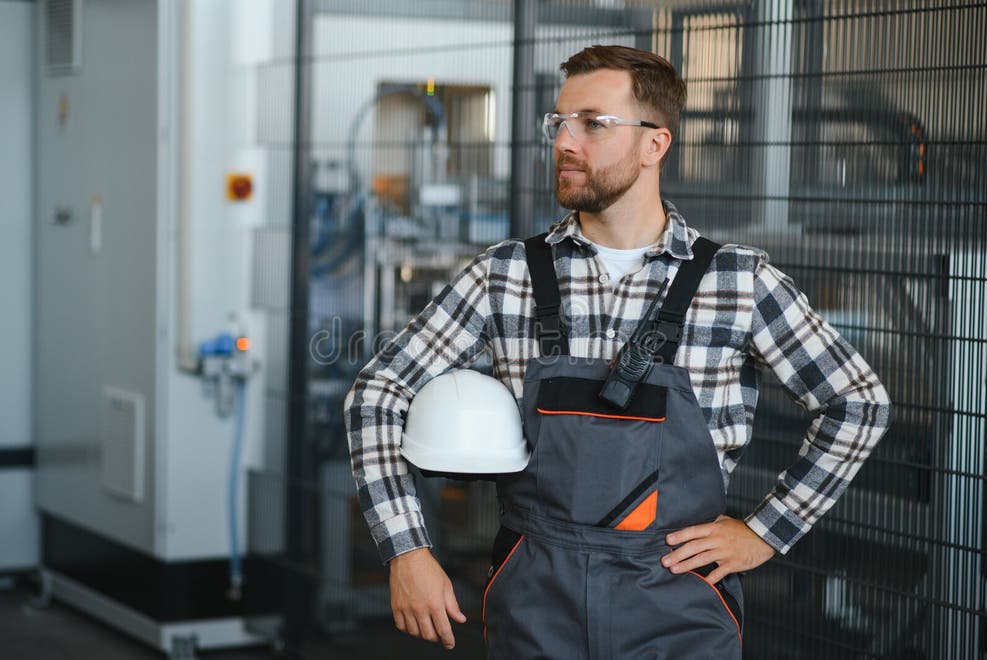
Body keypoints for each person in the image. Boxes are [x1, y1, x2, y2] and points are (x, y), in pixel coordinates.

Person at [344, 44, 891, 657]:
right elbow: (376, 392)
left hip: (677, 603)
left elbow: (858, 401)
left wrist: (765, 532)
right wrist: (407, 549)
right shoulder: (504, 277)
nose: (565, 141)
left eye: (593, 123)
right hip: (535, 600)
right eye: (560, 122)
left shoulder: (737, 282)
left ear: (655, 144)